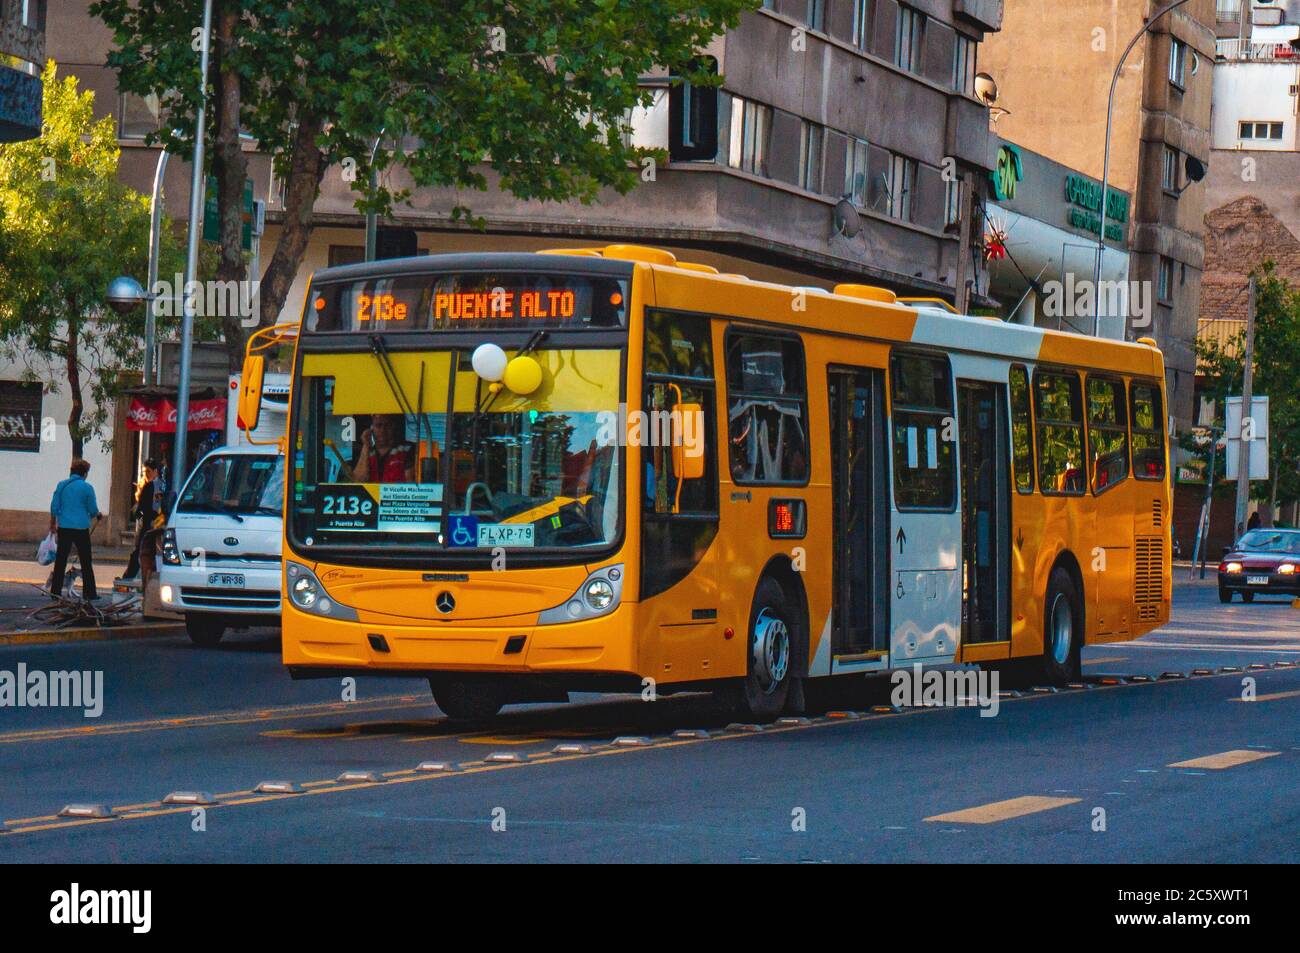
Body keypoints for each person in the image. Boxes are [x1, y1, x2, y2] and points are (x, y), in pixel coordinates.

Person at [49, 459, 103, 601]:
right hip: (81, 529)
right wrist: (96, 515)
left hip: (64, 527)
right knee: (86, 560)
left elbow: (54, 506)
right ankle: (89, 593)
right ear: (84, 473)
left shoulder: (61, 485)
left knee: (61, 559)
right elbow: (92, 509)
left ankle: (55, 591)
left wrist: (52, 524)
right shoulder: (87, 488)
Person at [122, 457, 162, 580]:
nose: (146, 475)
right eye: (145, 472)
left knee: (139, 551)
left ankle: (129, 577)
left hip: (148, 524)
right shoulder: (162, 485)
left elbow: (141, 509)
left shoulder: (149, 486)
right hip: (160, 524)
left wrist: (138, 516)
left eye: (148, 472)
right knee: (156, 553)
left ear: (155, 471)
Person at [350, 414, 415, 483]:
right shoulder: (365, 453)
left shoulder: (407, 449)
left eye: (387, 425)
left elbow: (410, 484)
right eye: (378, 425)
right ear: (371, 429)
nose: (383, 430)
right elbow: (359, 481)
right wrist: (366, 445)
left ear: (394, 427)